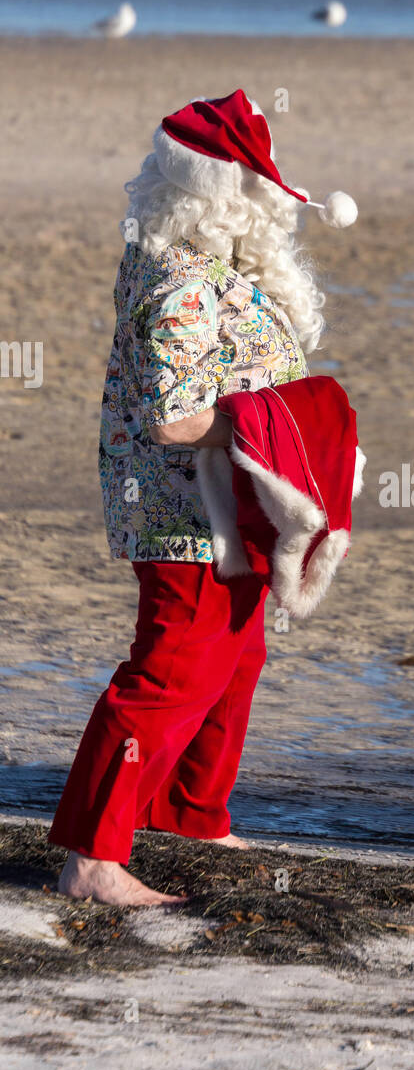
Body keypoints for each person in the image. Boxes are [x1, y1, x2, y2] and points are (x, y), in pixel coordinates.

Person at [49, 90, 356, 906]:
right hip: (185, 512)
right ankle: (92, 857)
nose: (269, 205)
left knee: (237, 657)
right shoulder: (182, 278)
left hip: (228, 511)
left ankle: (190, 815)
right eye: (256, 190)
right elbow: (174, 416)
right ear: (220, 198)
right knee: (173, 668)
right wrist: (278, 427)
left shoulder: (211, 267)